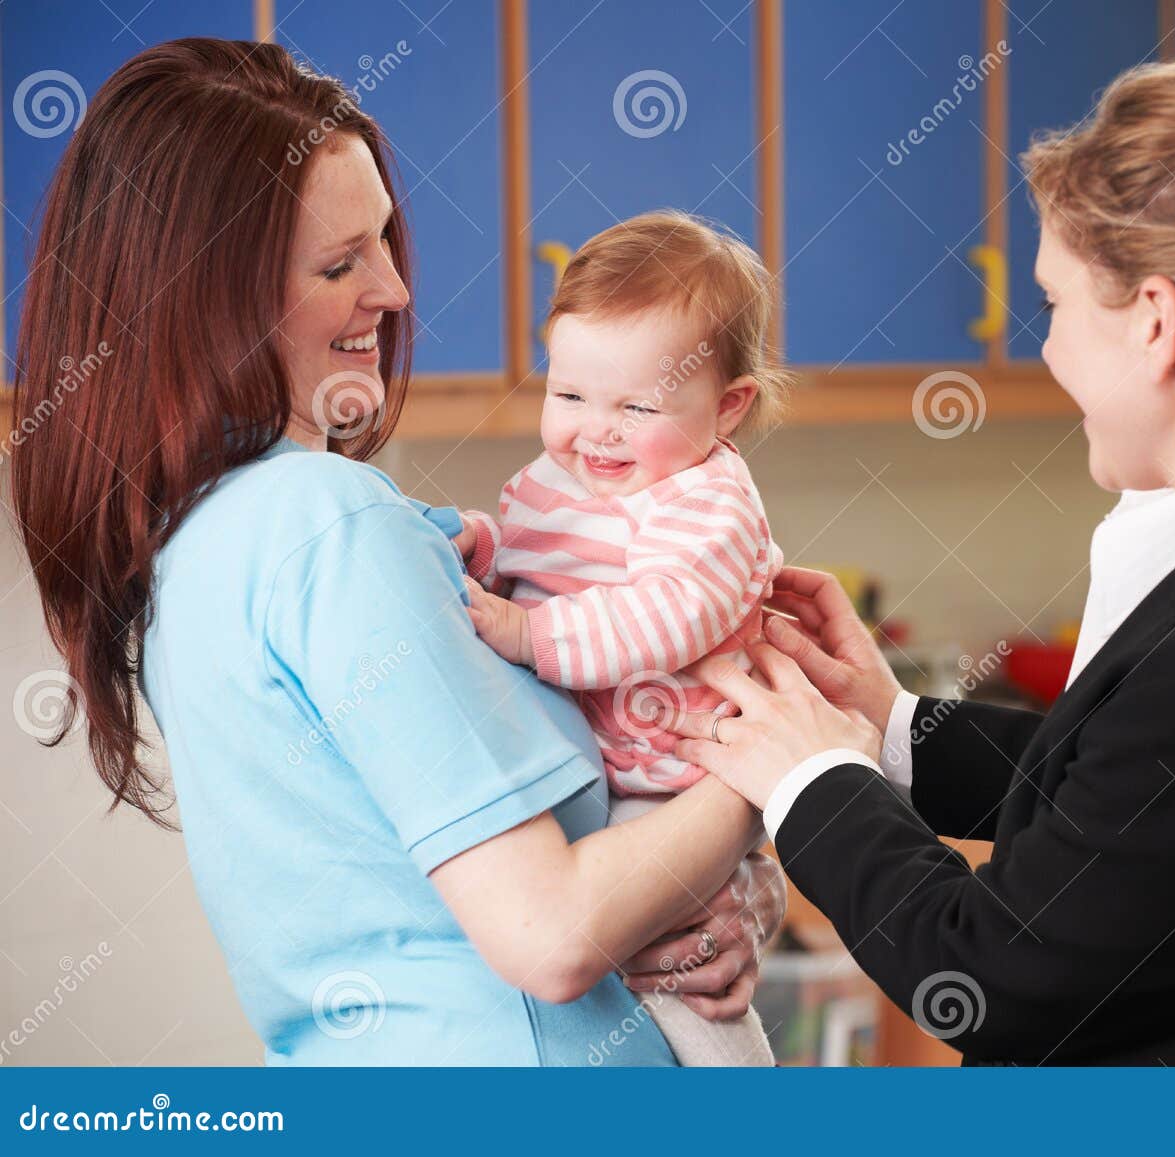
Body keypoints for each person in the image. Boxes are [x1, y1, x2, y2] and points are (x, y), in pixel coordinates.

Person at [667, 54, 1175, 1065]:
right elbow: (1143, 803)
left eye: (1054, 303)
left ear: (1155, 321)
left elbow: (992, 977)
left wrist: (807, 778)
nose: (1048, 349)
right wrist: (889, 730)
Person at [8, 38, 782, 1066]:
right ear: (209, 303)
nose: (395, 291)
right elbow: (550, 935)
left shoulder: (200, 538)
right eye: (339, 264)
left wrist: (738, 885)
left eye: (380, 242)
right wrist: (787, 757)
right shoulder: (329, 528)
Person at [457, 210, 794, 1065]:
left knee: (687, 990)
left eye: (636, 405)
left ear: (727, 408)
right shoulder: (555, 477)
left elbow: (668, 613)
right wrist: (481, 552)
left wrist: (529, 633)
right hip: (606, 776)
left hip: (676, 780)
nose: (593, 429)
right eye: (568, 394)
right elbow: (535, 565)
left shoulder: (711, 505)